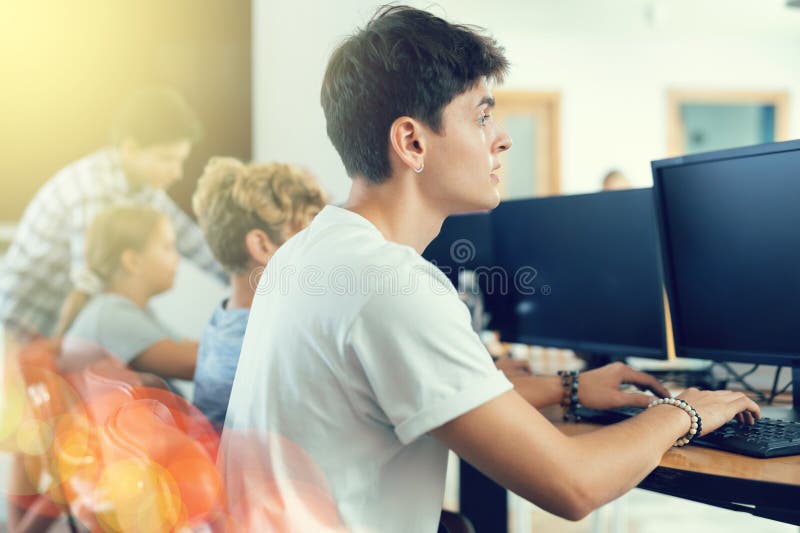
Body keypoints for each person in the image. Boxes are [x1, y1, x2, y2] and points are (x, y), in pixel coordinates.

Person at [221, 6, 760, 532]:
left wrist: (568, 388)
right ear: (412, 142)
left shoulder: (309, 252)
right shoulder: (393, 285)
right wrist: (682, 412)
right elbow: (573, 486)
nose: (501, 138)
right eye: (481, 116)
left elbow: (430, 393)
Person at [0, 87, 223, 338]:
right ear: (130, 149)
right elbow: (93, 286)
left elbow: (199, 246)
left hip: (64, 327)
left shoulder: (144, 189)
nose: (177, 172)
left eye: (181, 160)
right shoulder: (90, 189)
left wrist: (256, 278)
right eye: (166, 159)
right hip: (22, 327)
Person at [190, 157, 327, 428]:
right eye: (307, 235)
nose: (323, 251)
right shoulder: (259, 348)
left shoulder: (226, 320)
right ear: (263, 246)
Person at [57, 204, 196, 380]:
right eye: (167, 247)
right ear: (132, 261)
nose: (178, 258)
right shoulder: (112, 315)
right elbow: (194, 364)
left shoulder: (129, 310)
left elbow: (187, 348)